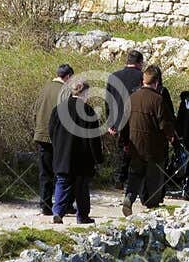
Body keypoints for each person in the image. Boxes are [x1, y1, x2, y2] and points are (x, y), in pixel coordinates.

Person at [122, 65, 177, 216]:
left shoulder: (132, 97)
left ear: (143, 80)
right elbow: (164, 124)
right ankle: (151, 207)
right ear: (157, 82)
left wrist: (125, 142)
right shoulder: (158, 100)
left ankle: (129, 197)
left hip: (135, 144)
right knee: (154, 177)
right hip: (154, 146)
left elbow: (124, 124)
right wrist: (171, 136)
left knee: (135, 174)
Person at [49, 77, 103, 225]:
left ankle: (58, 212)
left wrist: (57, 147)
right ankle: (82, 216)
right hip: (82, 157)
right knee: (81, 187)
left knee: (62, 182)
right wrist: (98, 158)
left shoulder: (58, 109)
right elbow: (94, 139)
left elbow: (51, 131)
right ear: (85, 93)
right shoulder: (88, 111)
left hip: (62, 154)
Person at [31, 63, 74, 216]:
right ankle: (65, 204)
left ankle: (45, 204)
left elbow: (35, 110)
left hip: (41, 134)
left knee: (45, 172)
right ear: (68, 77)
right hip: (59, 137)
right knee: (63, 173)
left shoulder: (45, 88)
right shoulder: (67, 92)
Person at [105, 50, 145, 188]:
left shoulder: (113, 76)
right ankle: (133, 182)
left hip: (118, 121)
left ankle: (119, 179)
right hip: (137, 121)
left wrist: (110, 123)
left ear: (127, 61)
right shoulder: (143, 77)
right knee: (137, 152)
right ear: (140, 63)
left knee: (121, 151)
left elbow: (108, 102)